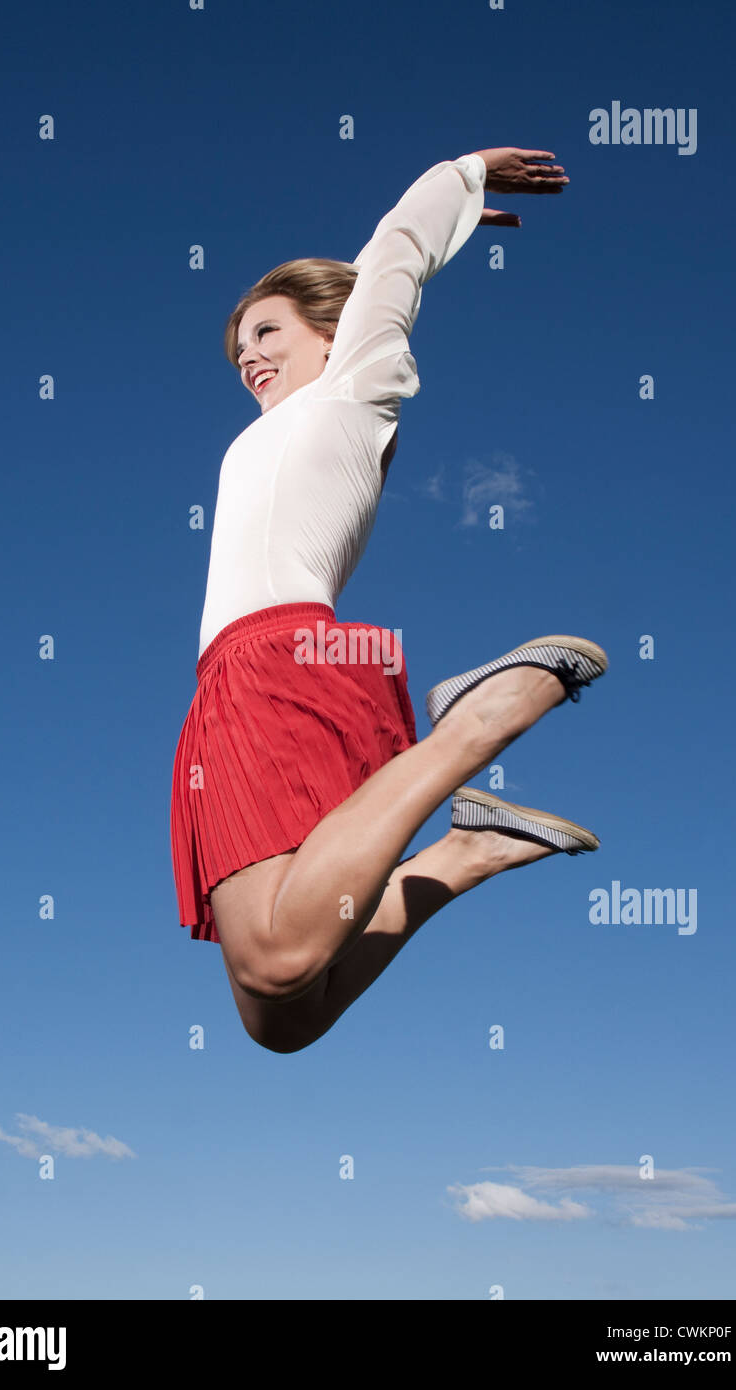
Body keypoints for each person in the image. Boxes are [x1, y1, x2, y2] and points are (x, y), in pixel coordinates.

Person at [170, 146, 608, 1053]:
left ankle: (477, 723)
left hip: (277, 663)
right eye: (239, 346)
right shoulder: (292, 430)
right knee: (279, 1016)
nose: (247, 356)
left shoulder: (351, 395)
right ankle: (462, 851)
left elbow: (395, 254)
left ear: (334, 334)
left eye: (269, 333)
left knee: (280, 962)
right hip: (237, 684)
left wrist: (464, 175)